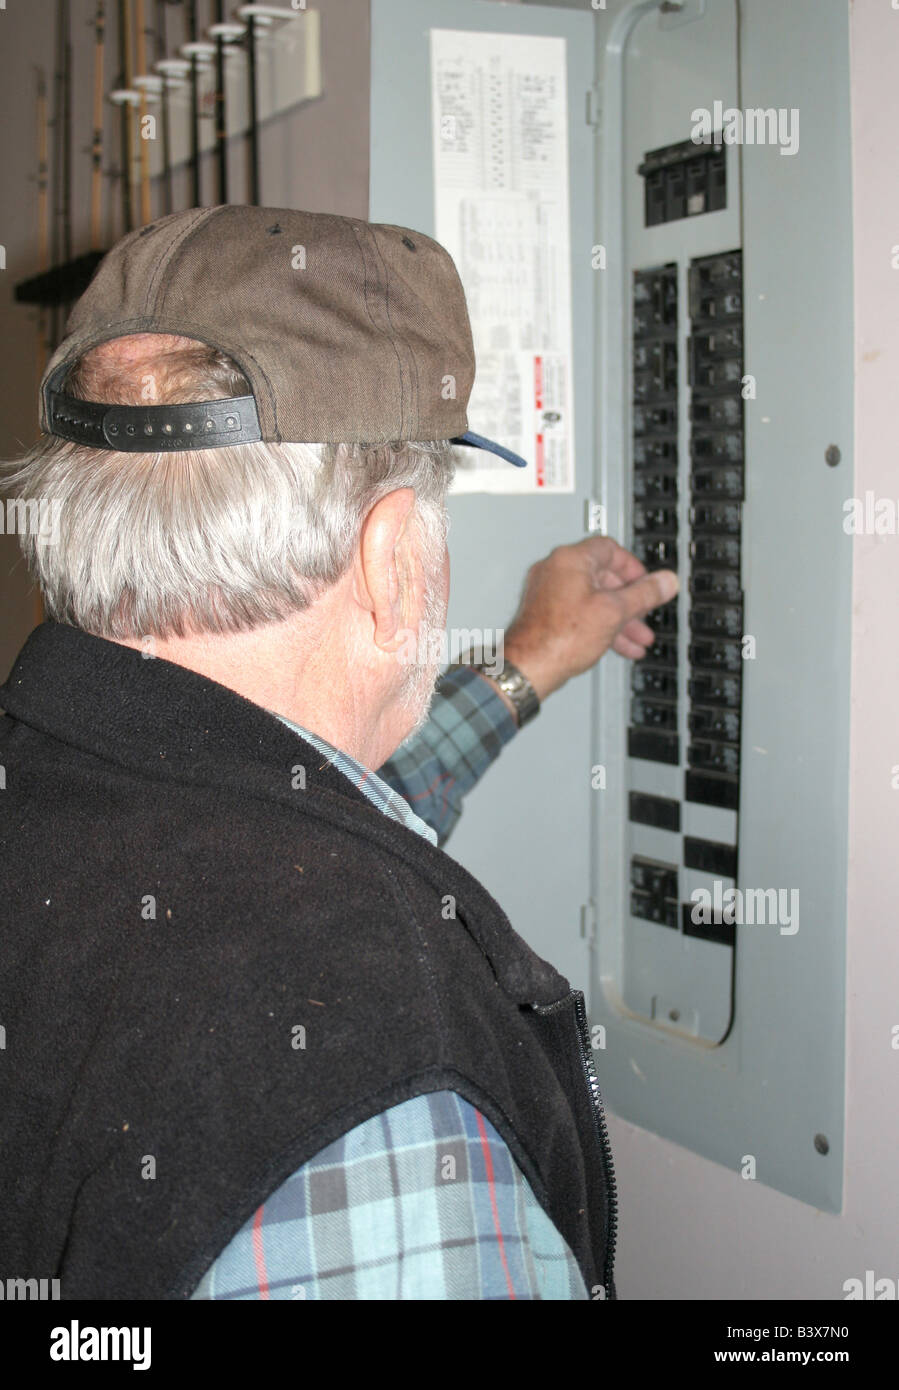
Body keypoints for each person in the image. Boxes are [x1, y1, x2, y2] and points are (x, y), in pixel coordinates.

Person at [0, 205, 677, 1300]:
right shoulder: (388, 1092)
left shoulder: (64, 783)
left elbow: (298, 814)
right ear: (394, 561)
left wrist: (523, 667)